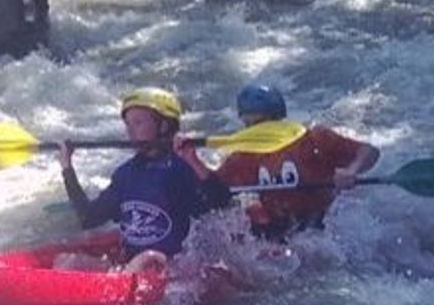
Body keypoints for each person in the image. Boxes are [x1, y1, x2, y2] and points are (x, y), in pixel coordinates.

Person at [58, 87, 234, 269]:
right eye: (128, 124)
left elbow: (222, 202)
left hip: (172, 267)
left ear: (164, 125)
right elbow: (88, 218)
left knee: (149, 258)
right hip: (131, 268)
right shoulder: (125, 174)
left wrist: (193, 160)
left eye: (138, 123)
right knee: (65, 261)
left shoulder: (182, 168)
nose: (130, 131)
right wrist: (67, 168)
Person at [214, 83, 380, 241]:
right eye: (248, 125)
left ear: (278, 120)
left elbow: (369, 152)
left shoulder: (315, 139)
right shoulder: (245, 155)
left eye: (260, 123)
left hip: (322, 220)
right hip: (279, 226)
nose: (256, 131)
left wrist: (352, 170)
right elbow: (210, 187)